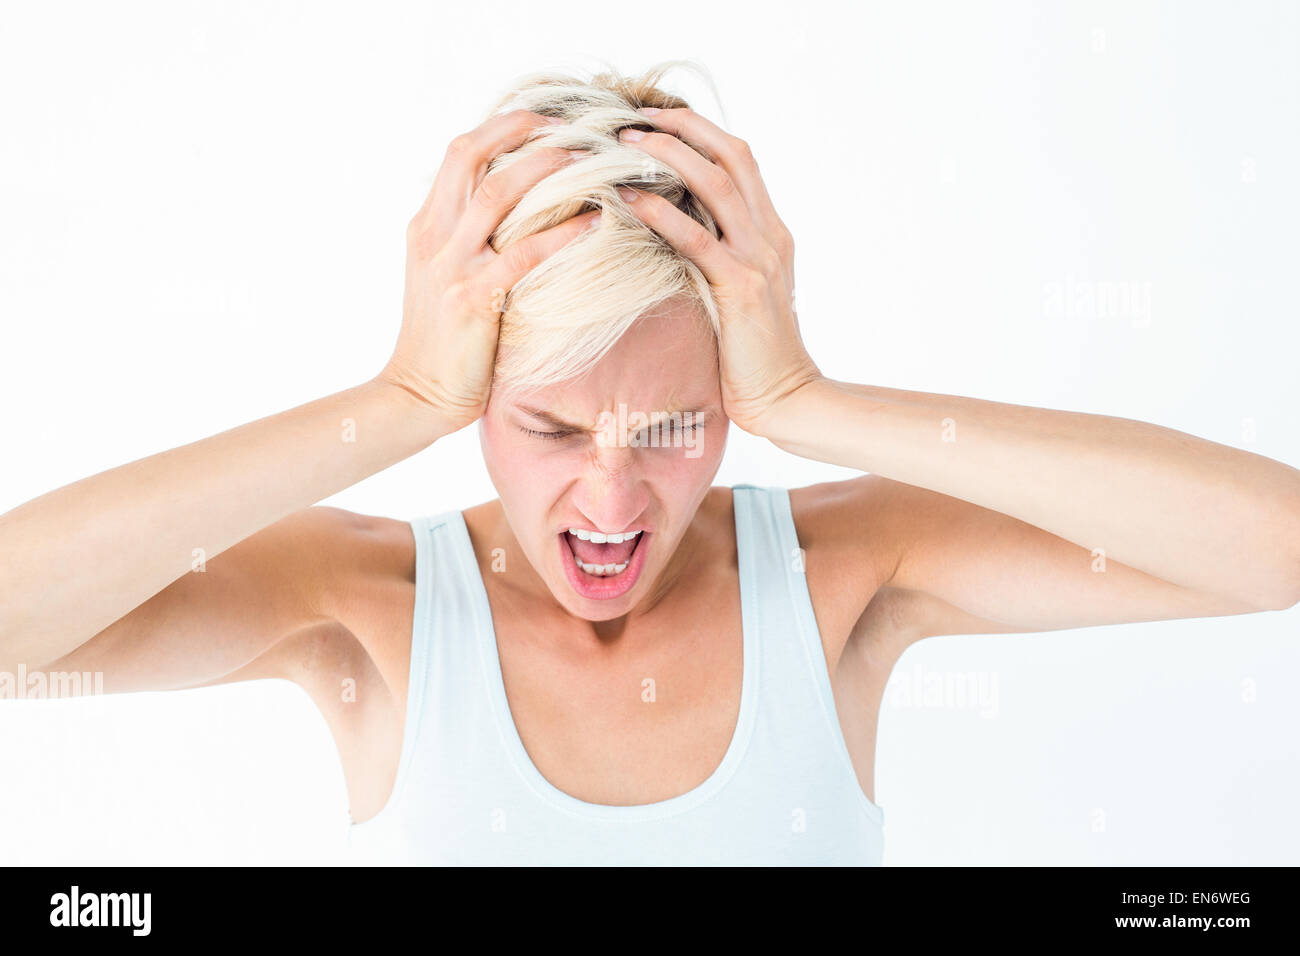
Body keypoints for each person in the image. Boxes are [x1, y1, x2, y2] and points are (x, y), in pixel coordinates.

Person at [2, 65, 1297, 865]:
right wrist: (391, 401)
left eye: (677, 426)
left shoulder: (843, 579)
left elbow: (1271, 548)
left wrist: (810, 398)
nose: (616, 500)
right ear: (476, 401)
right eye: (554, 429)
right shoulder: (365, 611)